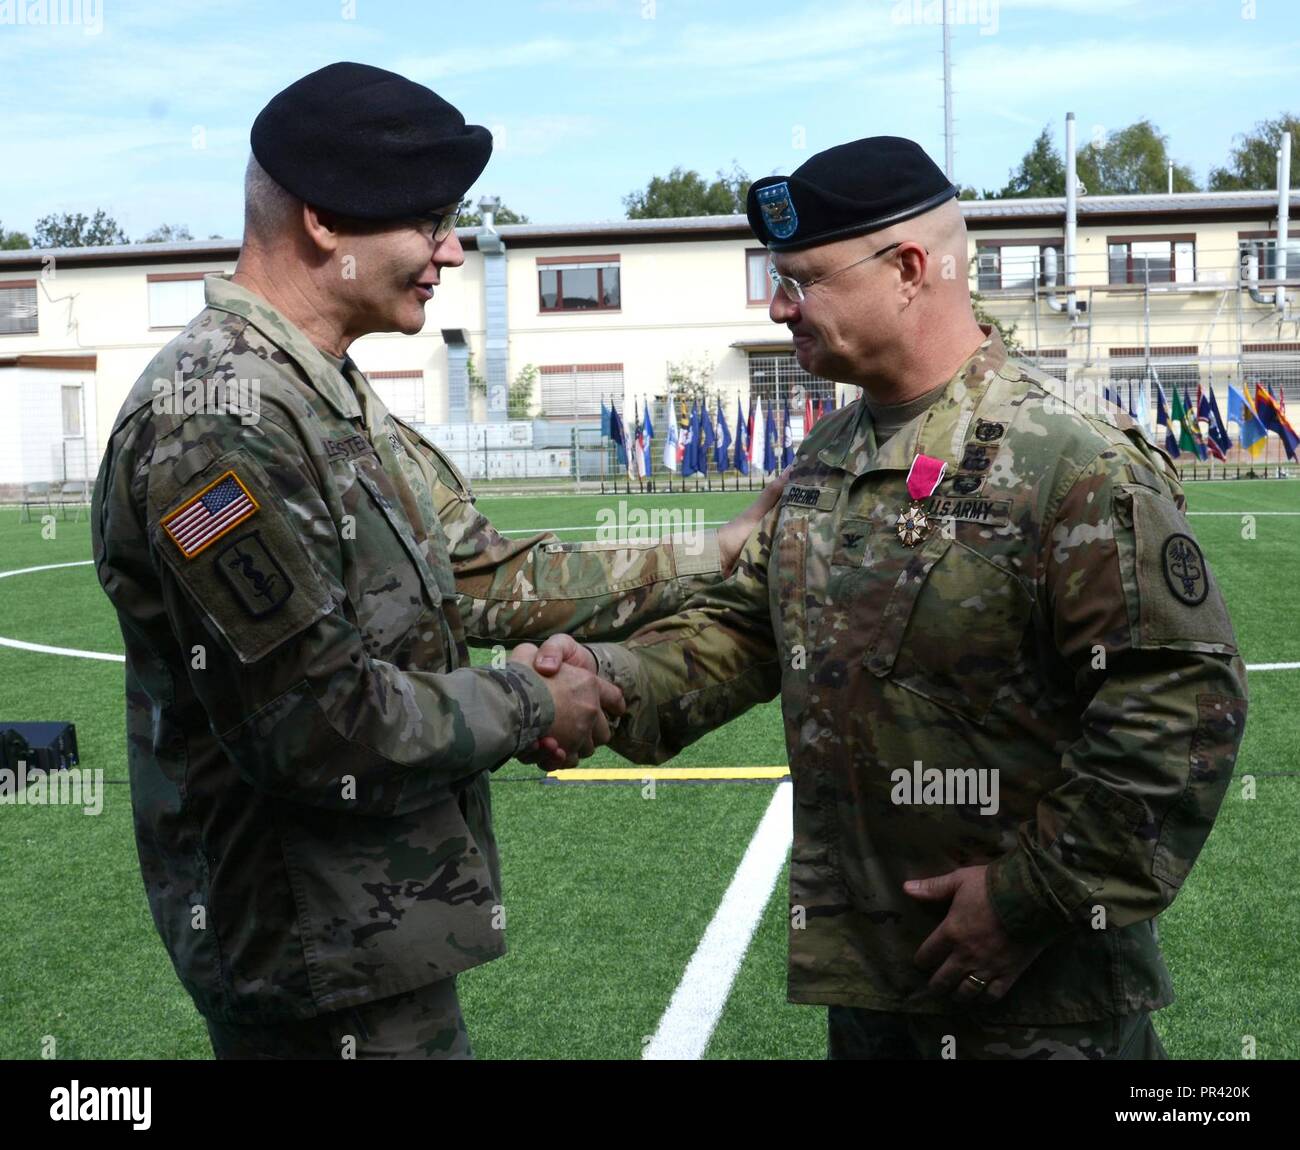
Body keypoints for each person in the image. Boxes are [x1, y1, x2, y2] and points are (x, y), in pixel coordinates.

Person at [91, 61, 780, 1060]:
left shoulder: (321, 388)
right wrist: (537, 702)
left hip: (366, 926)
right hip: (309, 953)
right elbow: (317, 728)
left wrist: (709, 552)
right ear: (325, 221)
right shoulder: (219, 420)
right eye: (430, 222)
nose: (451, 250)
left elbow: (481, 575)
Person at [520, 136, 1248, 1060]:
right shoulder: (832, 460)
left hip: (1039, 1006)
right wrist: (605, 679)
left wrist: (1029, 899)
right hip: (877, 981)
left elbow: (1182, 709)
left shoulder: (1071, 461)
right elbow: (748, 630)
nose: (779, 306)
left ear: (910, 269)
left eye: (803, 279)